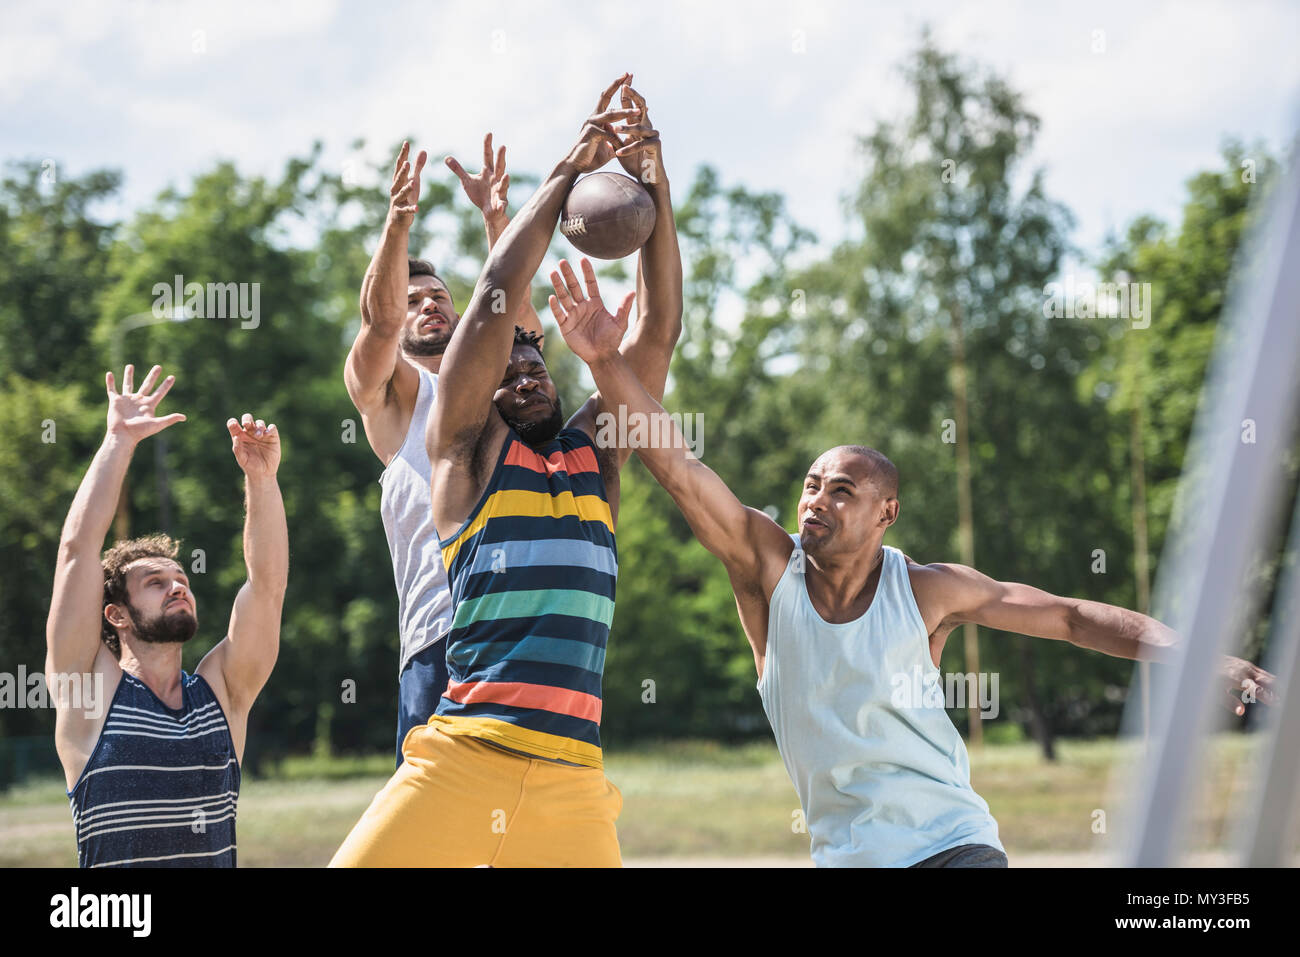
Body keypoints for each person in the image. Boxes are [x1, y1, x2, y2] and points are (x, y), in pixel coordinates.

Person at [545, 263, 1280, 868]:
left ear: (885, 513)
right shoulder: (766, 572)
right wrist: (607, 361)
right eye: (810, 485)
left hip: (954, 846)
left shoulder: (927, 590)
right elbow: (676, 468)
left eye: (841, 490)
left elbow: (1072, 615)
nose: (816, 501)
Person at [331, 73, 682, 867]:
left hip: (575, 777)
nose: (525, 365)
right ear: (472, 391)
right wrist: (567, 173)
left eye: (537, 354)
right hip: (463, 756)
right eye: (506, 358)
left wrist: (654, 181)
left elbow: (659, 329)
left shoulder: (596, 455)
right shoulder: (463, 456)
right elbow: (494, 291)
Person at [346, 132, 545, 765]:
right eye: (414, 301)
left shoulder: (498, 388)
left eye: (439, 297)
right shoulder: (393, 396)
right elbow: (377, 326)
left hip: (525, 628)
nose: (430, 304)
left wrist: (496, 220)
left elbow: (522, 323)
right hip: (443, 636)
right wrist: (397, 226)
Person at [46, 365, 287, 867]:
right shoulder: (88, 690)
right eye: (155, 583)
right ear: (116, 614)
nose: (178, 586)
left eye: (181, 579)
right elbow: (77, 550)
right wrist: (118, 441)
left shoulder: (223, 693)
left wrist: (262, 481)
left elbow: (266, 588)